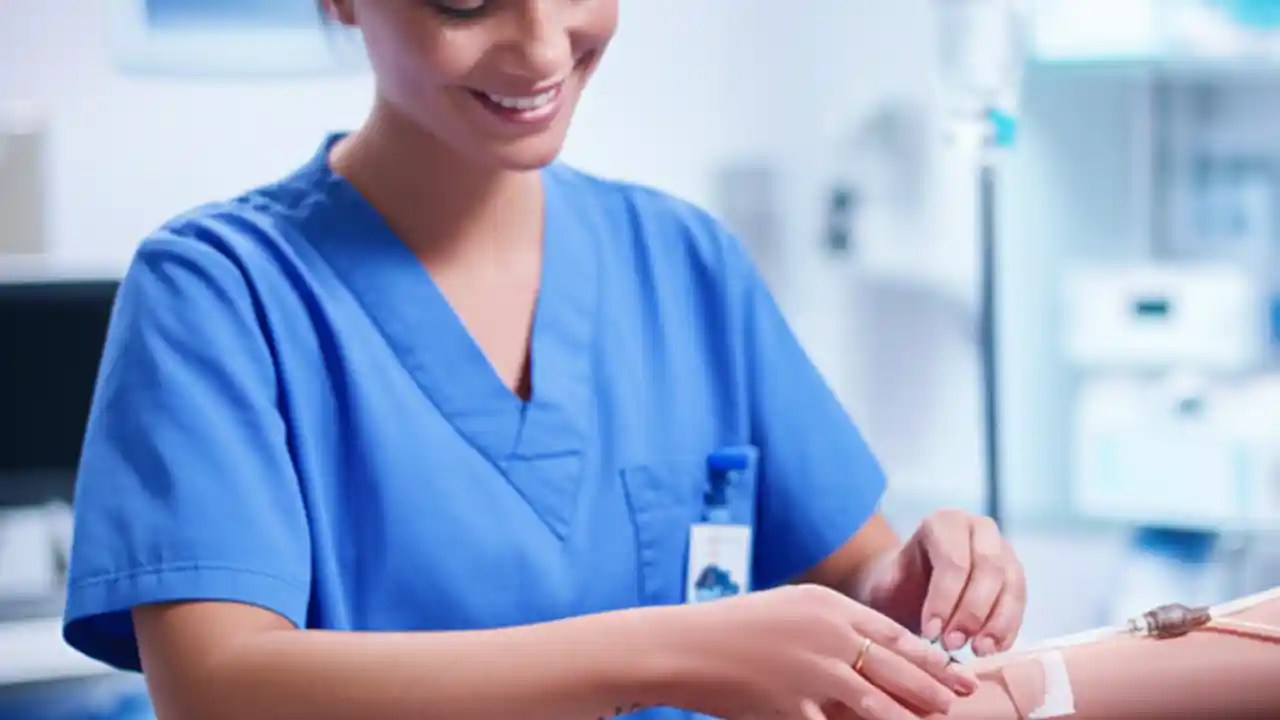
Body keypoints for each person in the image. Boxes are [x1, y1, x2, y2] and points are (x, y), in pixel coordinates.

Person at [62, 2, 1027, 718]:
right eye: (465, 2)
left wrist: (910, 587)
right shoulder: (220, 292)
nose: (541, 46)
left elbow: (851, 576)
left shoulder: (682, 262)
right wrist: (664, 652)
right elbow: (219, 688)